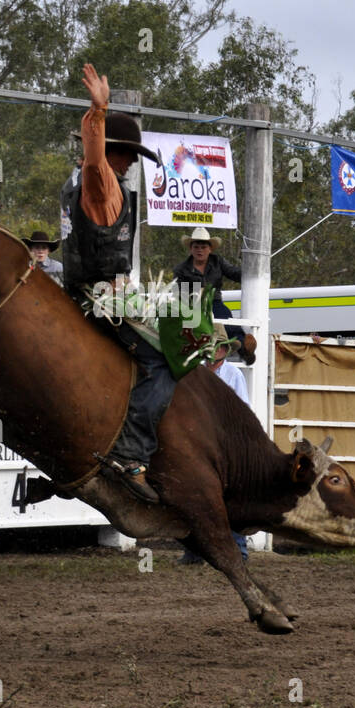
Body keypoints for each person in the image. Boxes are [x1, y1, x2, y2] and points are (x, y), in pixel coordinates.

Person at [60, 63, 168, 503]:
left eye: (127, 157)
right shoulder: (102, 183)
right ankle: (131, 452)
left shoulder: (102, 186)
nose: (127, 164)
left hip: (101, 289)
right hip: (98, 296)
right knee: (162, 359)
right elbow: (94, 160)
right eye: (125, 155)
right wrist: (98, 112)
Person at [180, 326, 251, 565]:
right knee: (193, 497)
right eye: (209, 346)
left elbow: (243, 414)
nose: (213, 351)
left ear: (224, 349)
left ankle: (238, 550)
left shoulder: (233, 375)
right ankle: (195, 552)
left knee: (229, 496)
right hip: (198, 443)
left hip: (225, 445)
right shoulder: (194, 373)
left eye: (217, 346)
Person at [172, 227, 256, 365]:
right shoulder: (181, 269)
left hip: (214, 302)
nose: (200, 250)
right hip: (193, 304)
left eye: (203, 247)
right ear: (191, 249)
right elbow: (179, 294)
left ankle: (245, 351)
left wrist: (252, 274)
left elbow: (235, 273)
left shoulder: (218, 262)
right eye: (196, 247)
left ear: (210, 249)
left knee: (225, 318)